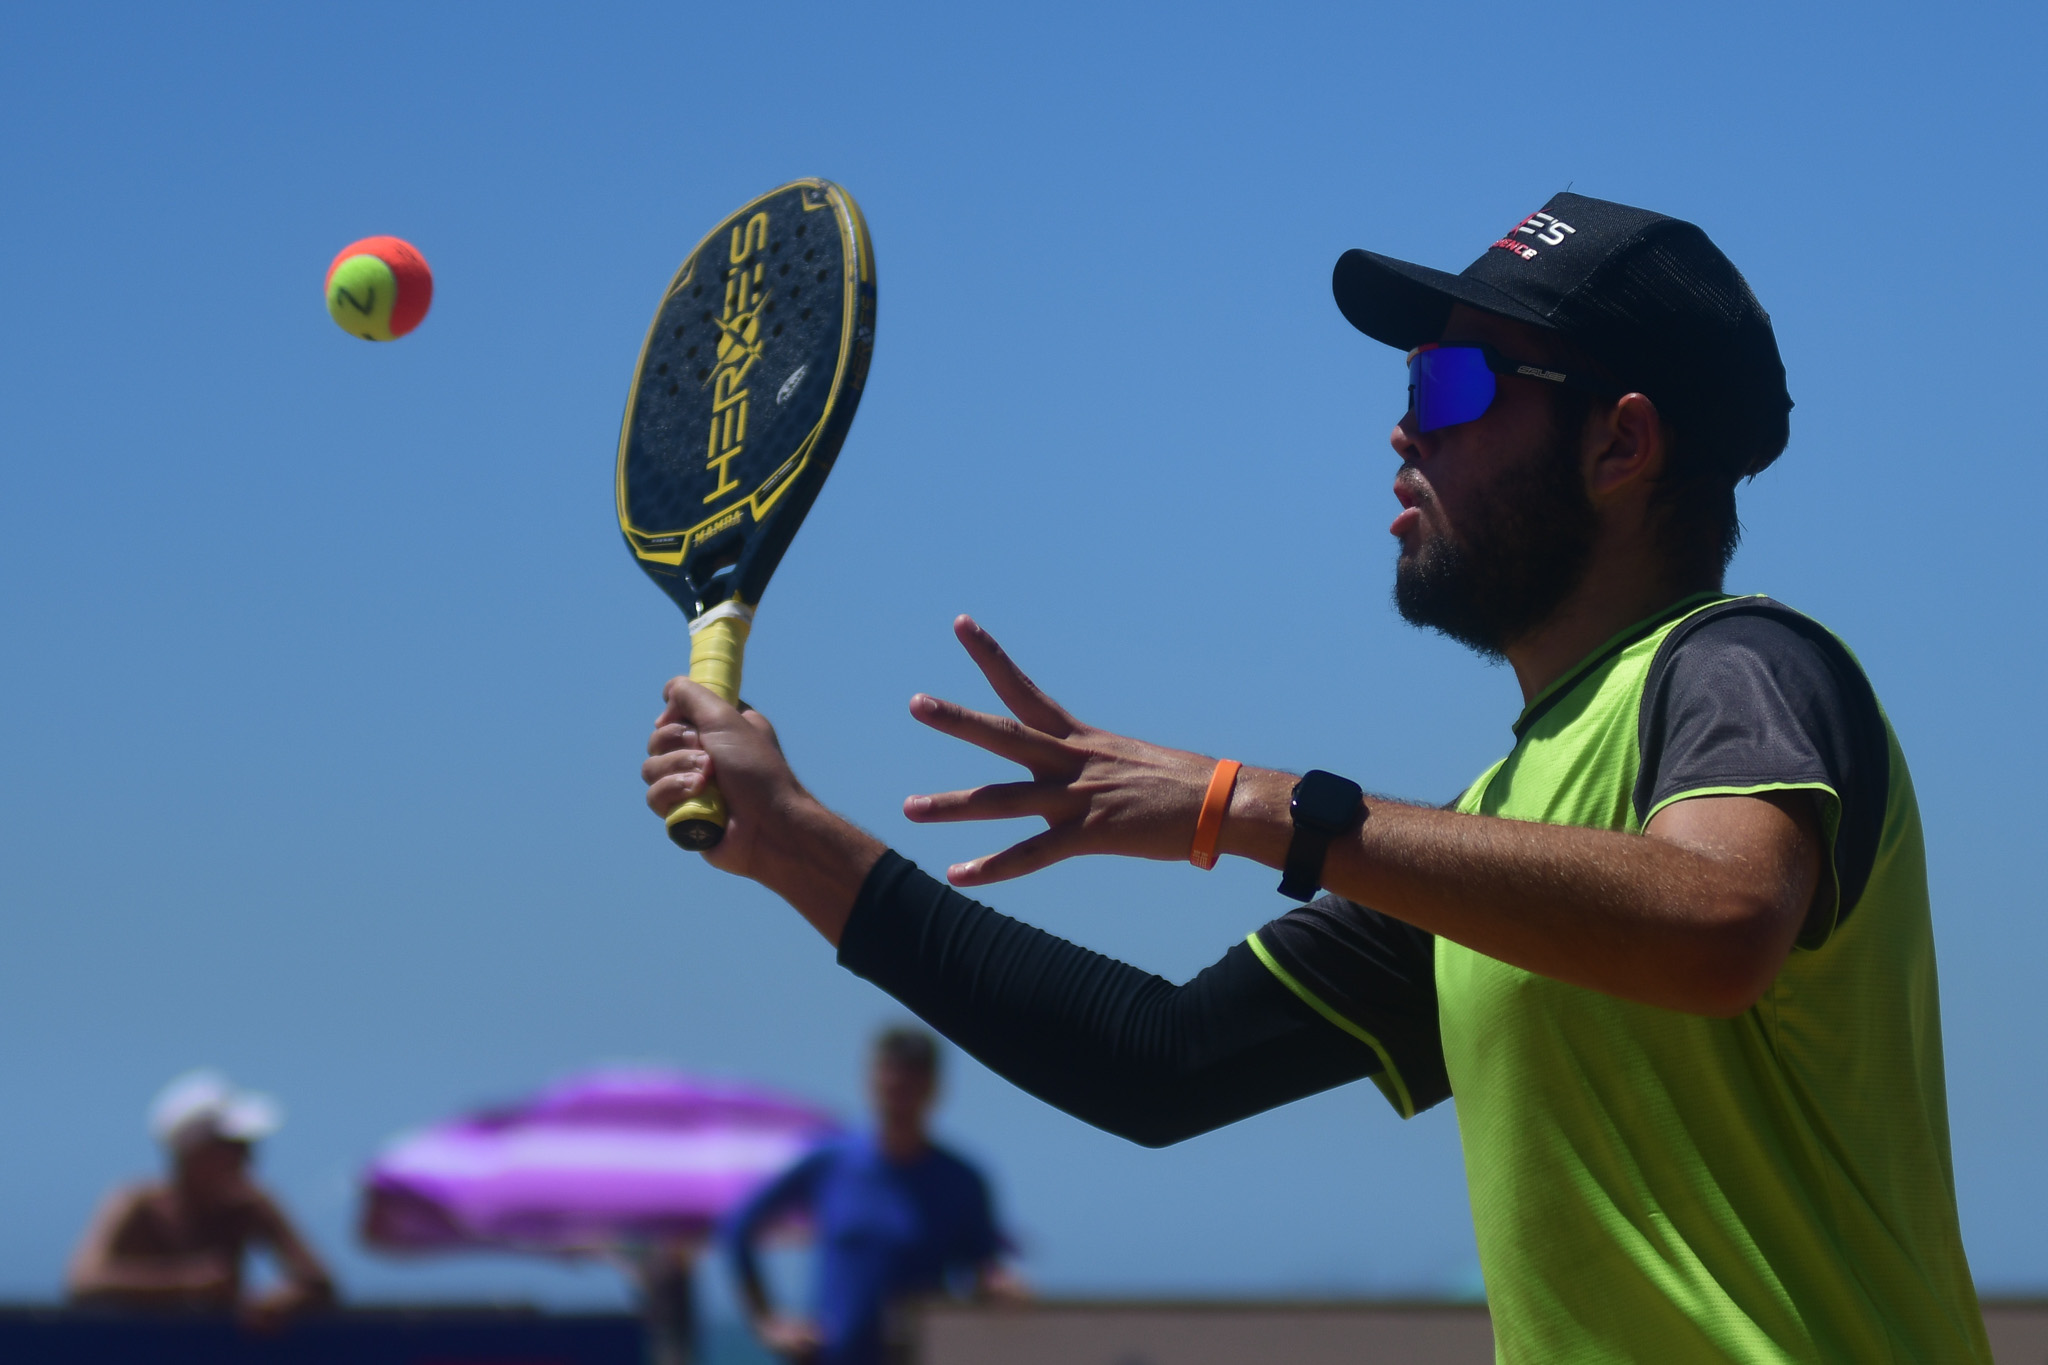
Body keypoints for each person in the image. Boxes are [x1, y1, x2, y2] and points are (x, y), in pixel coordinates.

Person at [643, 193, 1989, 1362]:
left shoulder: (1742, 664)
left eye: (1451, 388)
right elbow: (1157, 1063)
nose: (1405, 435)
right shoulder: (1495, 842)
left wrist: (1242, 806)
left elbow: (1717, 919)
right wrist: (794, 843)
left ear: (1620, 445)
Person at [723, 1027, 1022, 1364]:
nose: (897, 1095)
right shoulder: (830, 1163)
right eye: (889, 1081)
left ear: (933, 1089)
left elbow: (982, 1269)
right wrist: (768, 1322)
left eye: (909, 1084)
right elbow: (737, 1227)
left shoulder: (961, 1181)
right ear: (871, 1081)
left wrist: (1000, 1287)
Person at [68, 1070, 336, 1328]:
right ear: (192, 1152)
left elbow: (320, 1283)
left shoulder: (251, 1204)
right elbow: (83, 1280)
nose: (248, 1157)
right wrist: (187, 1282)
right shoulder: (134, 1202)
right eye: (235, 1145)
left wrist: (281, 1299)